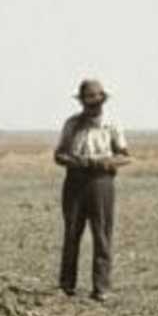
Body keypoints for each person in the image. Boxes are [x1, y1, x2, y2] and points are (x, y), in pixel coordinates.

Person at [53, 79, 131, 301]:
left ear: (102, 100)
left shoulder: (112, 124)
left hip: (101, 182)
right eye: (88, 100)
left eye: (96, 99)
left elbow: (125, 156)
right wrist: (75, 161)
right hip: (75, 181)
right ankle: (66, 285)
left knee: (102, 234)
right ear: (82, 102)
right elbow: (58, 154)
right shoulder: (72, 124)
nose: (92, 104)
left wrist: (107, 162)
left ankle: (101, 287)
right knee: (71, 233)